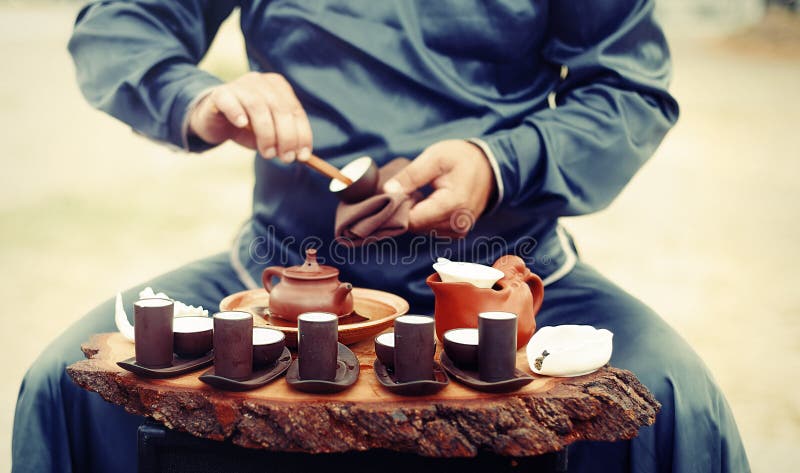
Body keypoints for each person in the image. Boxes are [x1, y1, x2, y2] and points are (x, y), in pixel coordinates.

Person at [13, 1, 750, 472]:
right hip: (284, 286)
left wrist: (500, 163)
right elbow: (121, 23)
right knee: (66, 387)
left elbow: (627, 87)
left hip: (503, 285)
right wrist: (196, 96)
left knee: (672, 402)